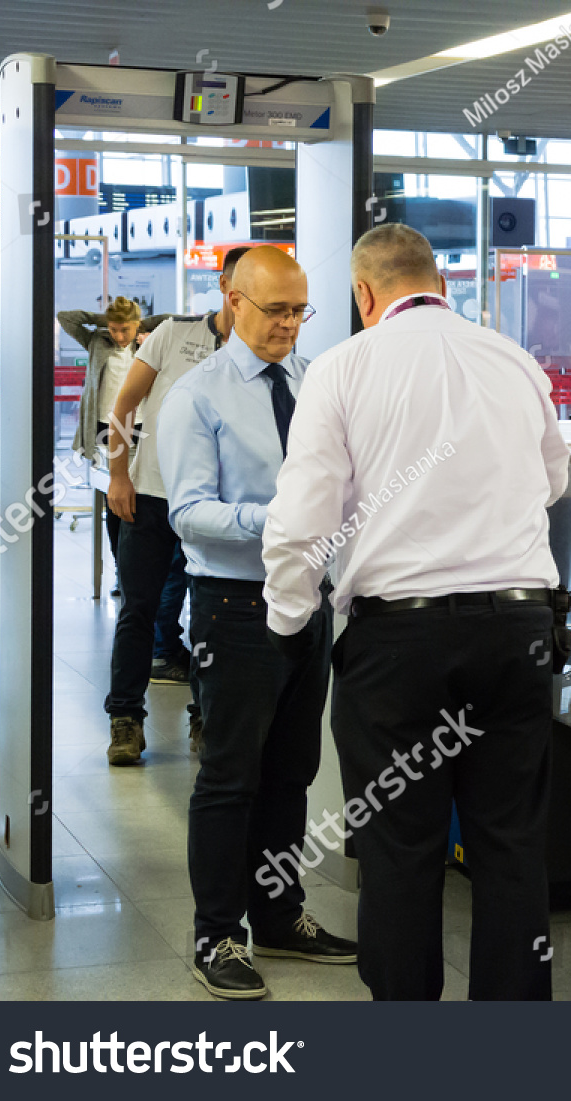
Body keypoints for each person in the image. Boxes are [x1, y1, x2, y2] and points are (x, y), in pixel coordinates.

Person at [261, 223, 569, 1001]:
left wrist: (288, 625)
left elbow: (299, 525)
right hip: (520, 631)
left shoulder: (343, 368)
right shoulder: (513, 359)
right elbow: (554, 479)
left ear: (364, 293)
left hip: (400, 645)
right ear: (440, 282)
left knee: (399, 851)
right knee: (512, 848)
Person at [157, 246, 354, 1000]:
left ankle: (277, 914)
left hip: (309, 602)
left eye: (300, 310)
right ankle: (217, 934)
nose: (289, 325)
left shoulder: (314, 381)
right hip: (236, 606)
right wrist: (279, 520)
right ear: (232, 300)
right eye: (276, 310)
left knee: (291, 771)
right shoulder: (197, 395)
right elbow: (187, 512)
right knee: (230, 775)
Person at [102, 248, 248, 765]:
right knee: (137, 609)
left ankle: (204, 717)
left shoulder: (260, 350)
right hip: (151, 495)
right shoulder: (173, 333)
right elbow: (125, 405)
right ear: (224, 285)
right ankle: (125, 718)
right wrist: (119, 476)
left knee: (211, 615)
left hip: (214, 507)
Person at [58, 297, 170, 575]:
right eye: (114, 329)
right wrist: (106, 321)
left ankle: (137, 567)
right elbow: (65, 317)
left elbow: (174, 321)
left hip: (140, 427)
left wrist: (140, 326)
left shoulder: (149, 342)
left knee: (141, 499)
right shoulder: (97, 341)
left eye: (125, 330)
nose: (119, 336)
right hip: (106, 428)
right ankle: (122, 566)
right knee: (117, 498)